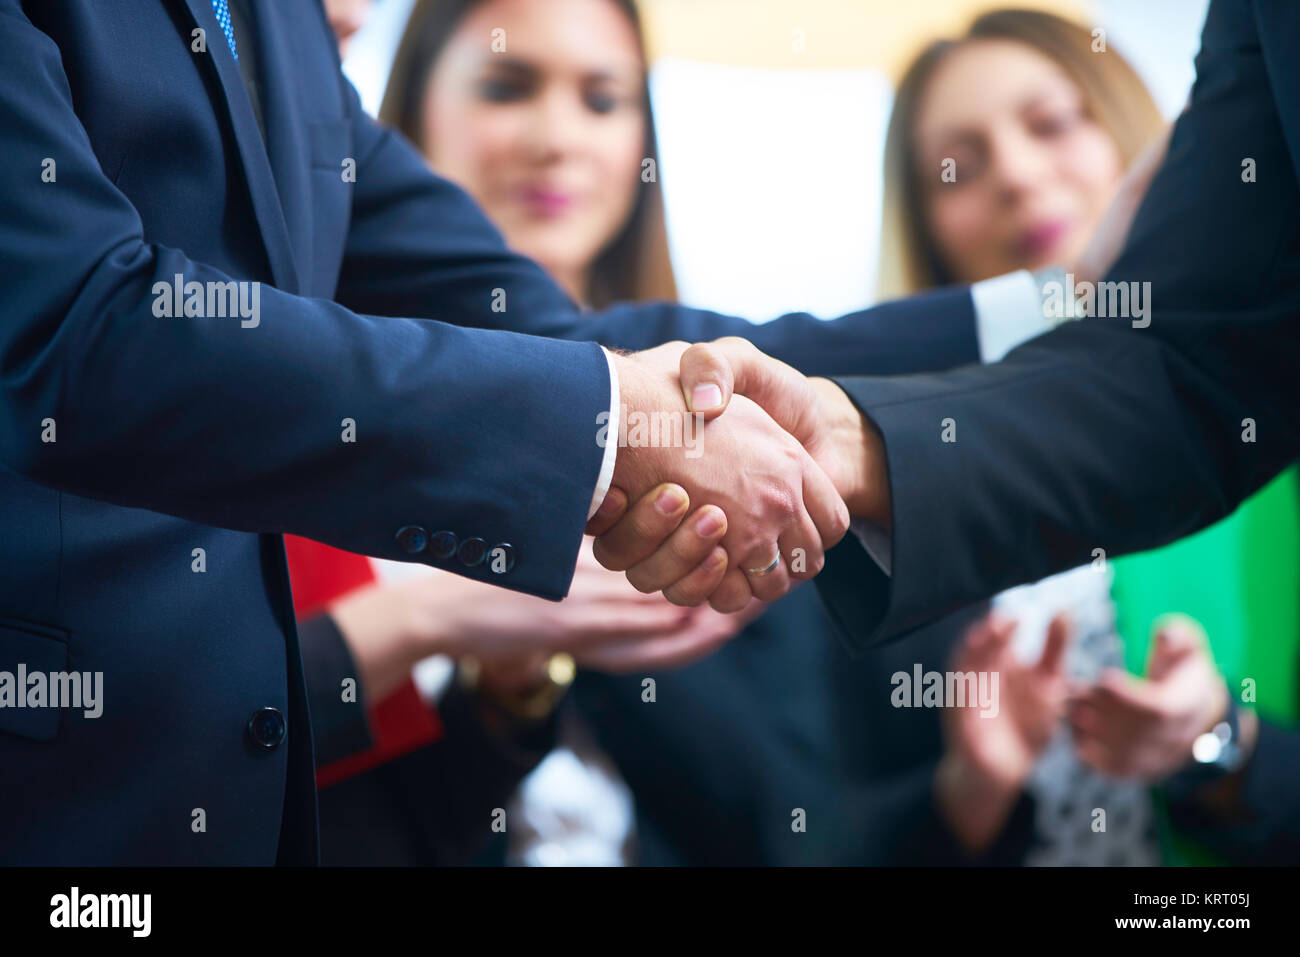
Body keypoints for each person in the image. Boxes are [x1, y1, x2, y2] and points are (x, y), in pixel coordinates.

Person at [0, 0, 1098, 864]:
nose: (556, 140)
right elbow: (74, 327)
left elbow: (568, 343)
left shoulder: (672, 447)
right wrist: (442, 613)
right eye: (507, 83)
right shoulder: (352, 446)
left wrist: (1054, 302)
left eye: (604, 99)